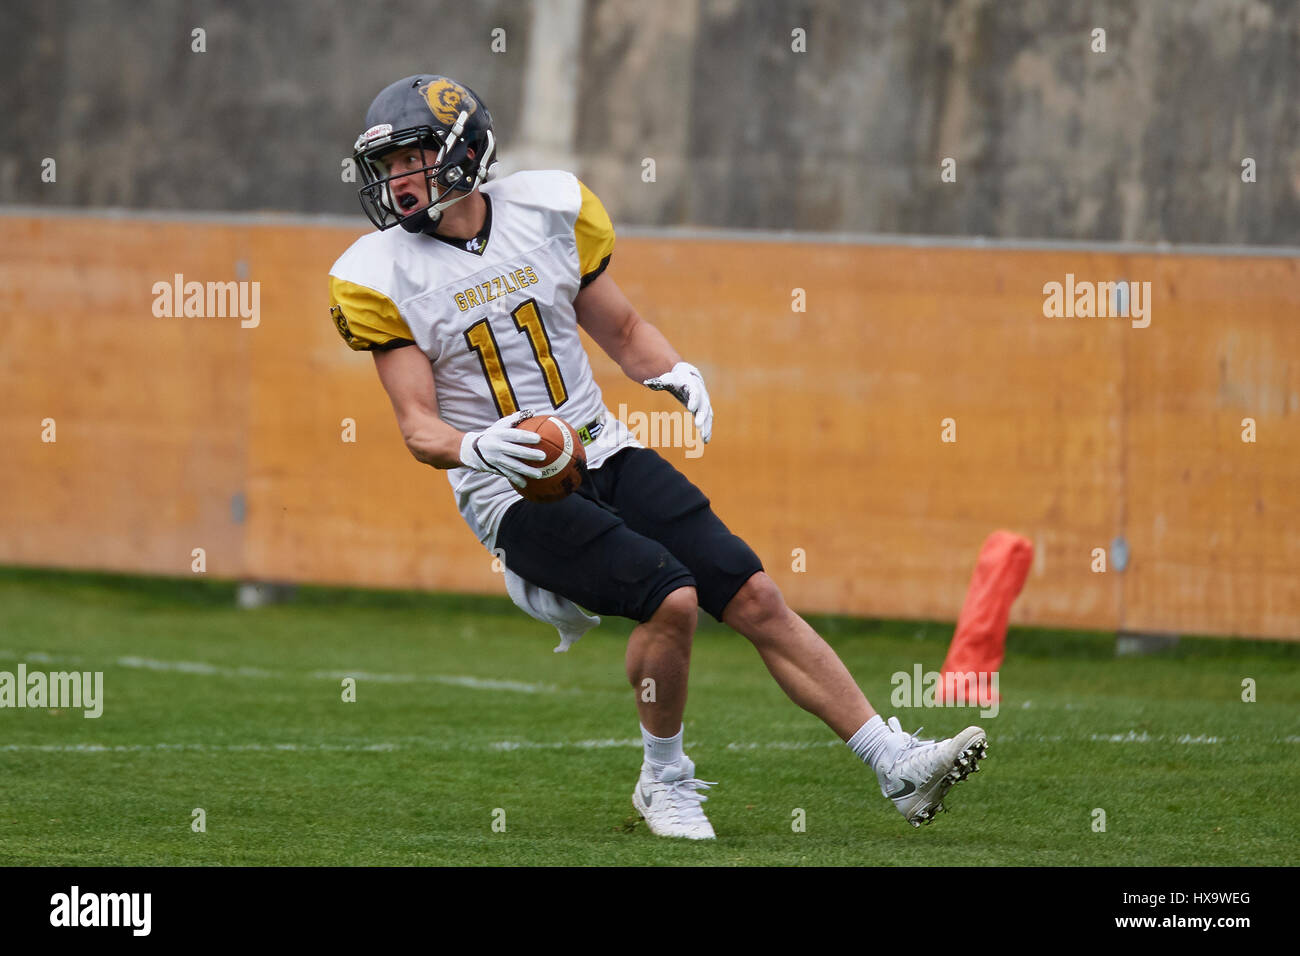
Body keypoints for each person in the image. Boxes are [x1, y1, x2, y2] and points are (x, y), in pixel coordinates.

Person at [328, 75, 988, 839]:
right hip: (508, 488)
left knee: (754, 595)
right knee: (669, 598)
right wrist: (480, 445)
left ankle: (893, 763)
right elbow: (418, 427)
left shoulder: (547, 212)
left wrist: (675, 370)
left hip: (600, 444)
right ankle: (665, 780)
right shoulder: (378, 273)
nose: (397, 181)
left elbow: (625, 329)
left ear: (466, 153)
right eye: (389, 165)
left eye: (413, 159)